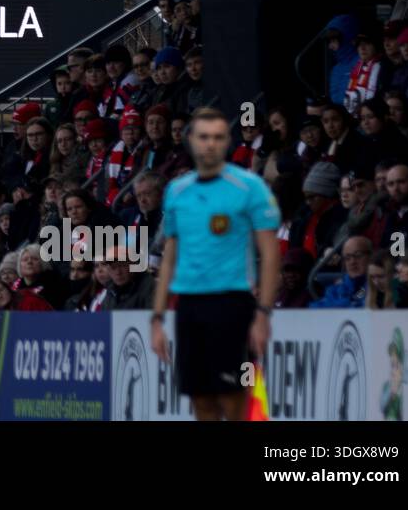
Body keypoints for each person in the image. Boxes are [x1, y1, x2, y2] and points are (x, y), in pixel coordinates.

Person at [151, 107, 280, 421]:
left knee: (234, 400)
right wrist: (157, 317)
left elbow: (271, 253)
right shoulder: (177, 191)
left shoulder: (249, 187)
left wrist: (263, 313)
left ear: (226, 142)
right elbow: (170, 256)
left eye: (218, 137)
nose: (210, 144)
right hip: (190, 307)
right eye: (203, 137)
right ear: (191, 141)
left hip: (233, 305)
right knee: (201, 401)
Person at [310, 236, 373, 308]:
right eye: (347, 258)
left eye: (358, 255)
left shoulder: (377, 284)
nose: (352, 262)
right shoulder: (339, 286)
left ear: (371, 256)